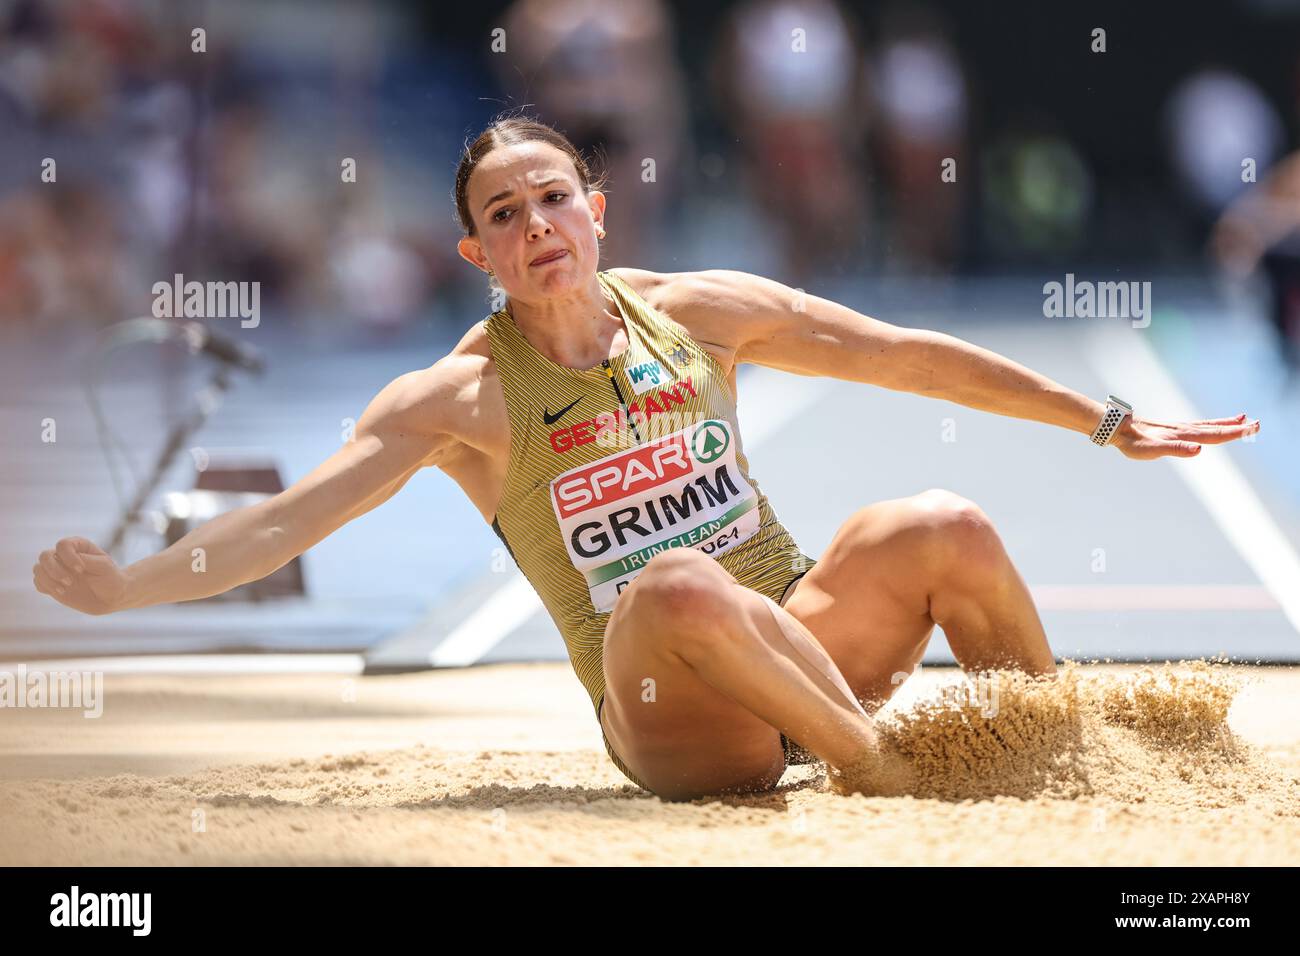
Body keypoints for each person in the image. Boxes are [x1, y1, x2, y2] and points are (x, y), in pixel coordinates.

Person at [32, 114, 1262, 802]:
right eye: (502, 217)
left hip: (803, 641)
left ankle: (1046, 741)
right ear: (479, 258)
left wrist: (1099, 418)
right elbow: (282, 524)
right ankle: (883, 769)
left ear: (595, 209)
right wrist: (130, 584)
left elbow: (903, 355)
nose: (535, 226)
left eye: (552, 198)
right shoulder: (455, 398)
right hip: (681, 707)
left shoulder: (700, 309)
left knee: (943, 520)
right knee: (676, 580)